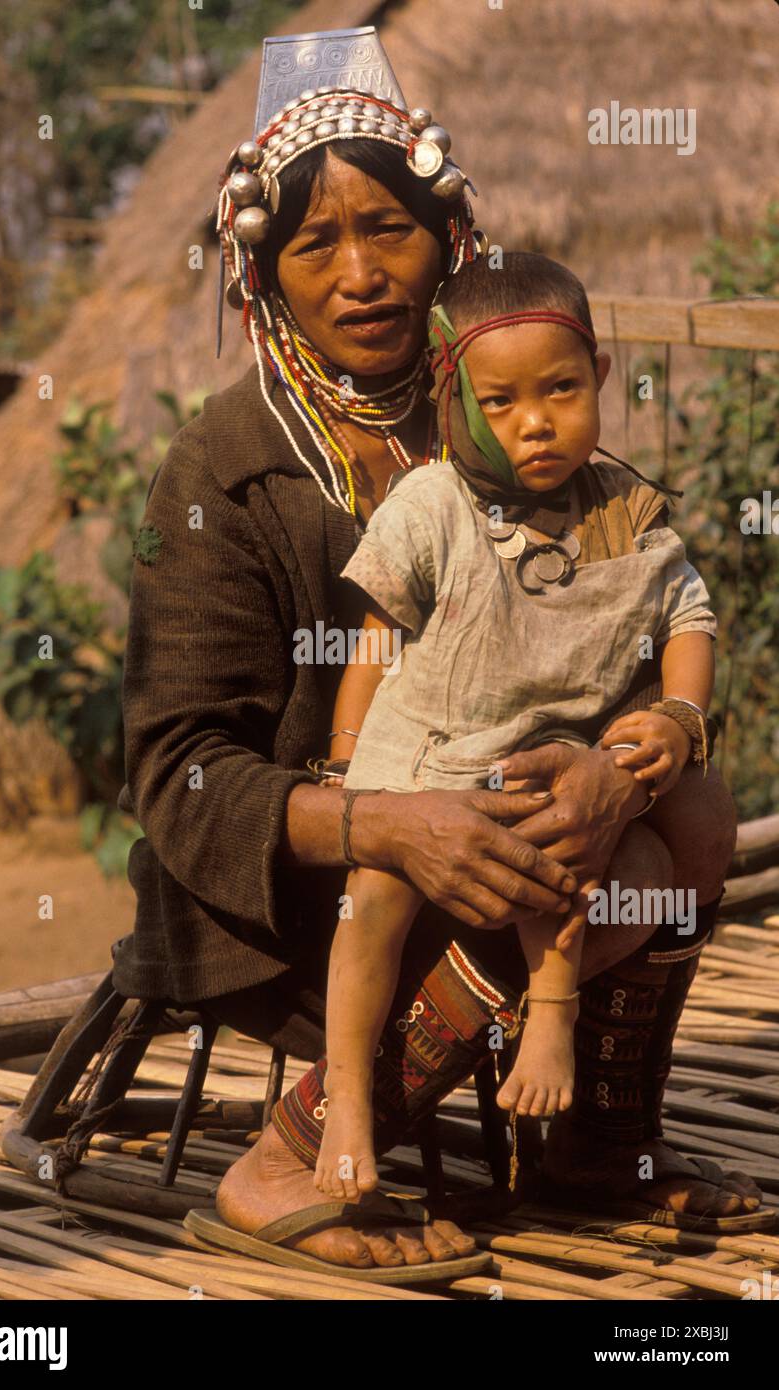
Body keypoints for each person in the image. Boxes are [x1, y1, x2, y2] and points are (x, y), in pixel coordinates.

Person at [113, 28, 763, 1271]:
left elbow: (636, 624)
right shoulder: (221, 470)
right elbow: (179, 769)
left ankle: (586, 1144)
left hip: (512, 824)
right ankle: (293, 1152)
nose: (360, 275)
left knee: (682, 813)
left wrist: (631, 751)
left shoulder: (523, 405)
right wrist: (381, 819)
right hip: (303, 890)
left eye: (390, 232)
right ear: (265, 274)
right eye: (313, 244)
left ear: (449, 239)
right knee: (527, 848)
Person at [314, 251, 722, 1201]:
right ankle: (344, 1102)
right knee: (370, 907)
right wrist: (344, 779)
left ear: (600, 381)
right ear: (449, 399)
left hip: (544, 770)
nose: (534, 422)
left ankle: (553, 1017)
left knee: (574, 854)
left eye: (561, 390)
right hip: (420, 767)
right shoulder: (432, 507)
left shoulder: (628, 516)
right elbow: (372, 652)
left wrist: (677, 712)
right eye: (498, 403)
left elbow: (686, 621)